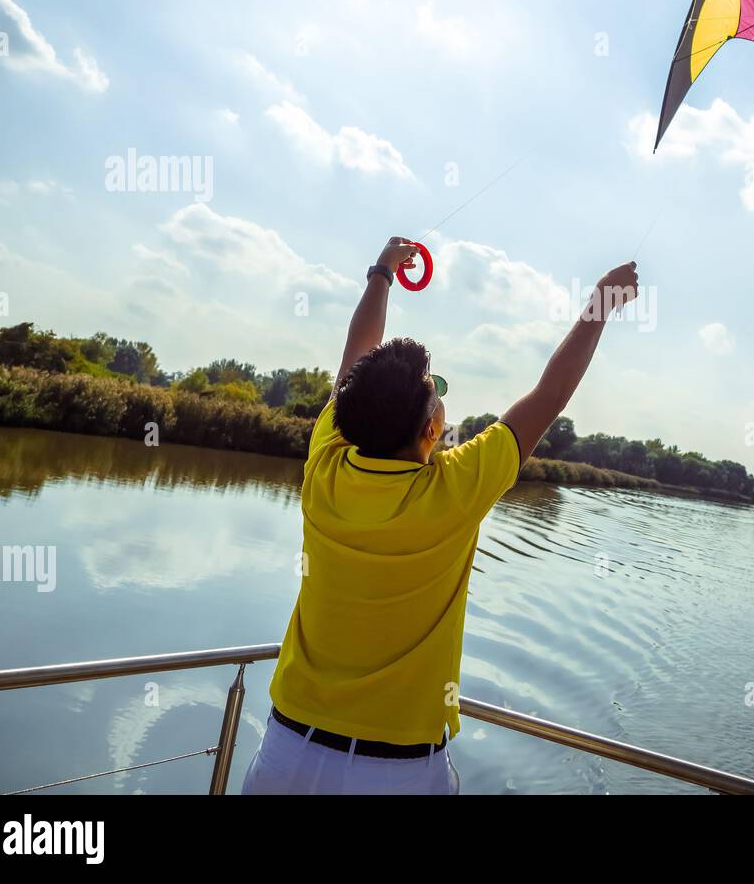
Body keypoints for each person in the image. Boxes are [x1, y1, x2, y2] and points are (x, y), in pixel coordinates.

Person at [240, 236, 638, 794]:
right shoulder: (457, 488)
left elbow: (356, 358)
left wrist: (382, 272)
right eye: (437, 392)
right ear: (432, 430)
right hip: (394, 772)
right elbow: (549, 393)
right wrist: (599, 304)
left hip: (286, 753)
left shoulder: (325, 462)